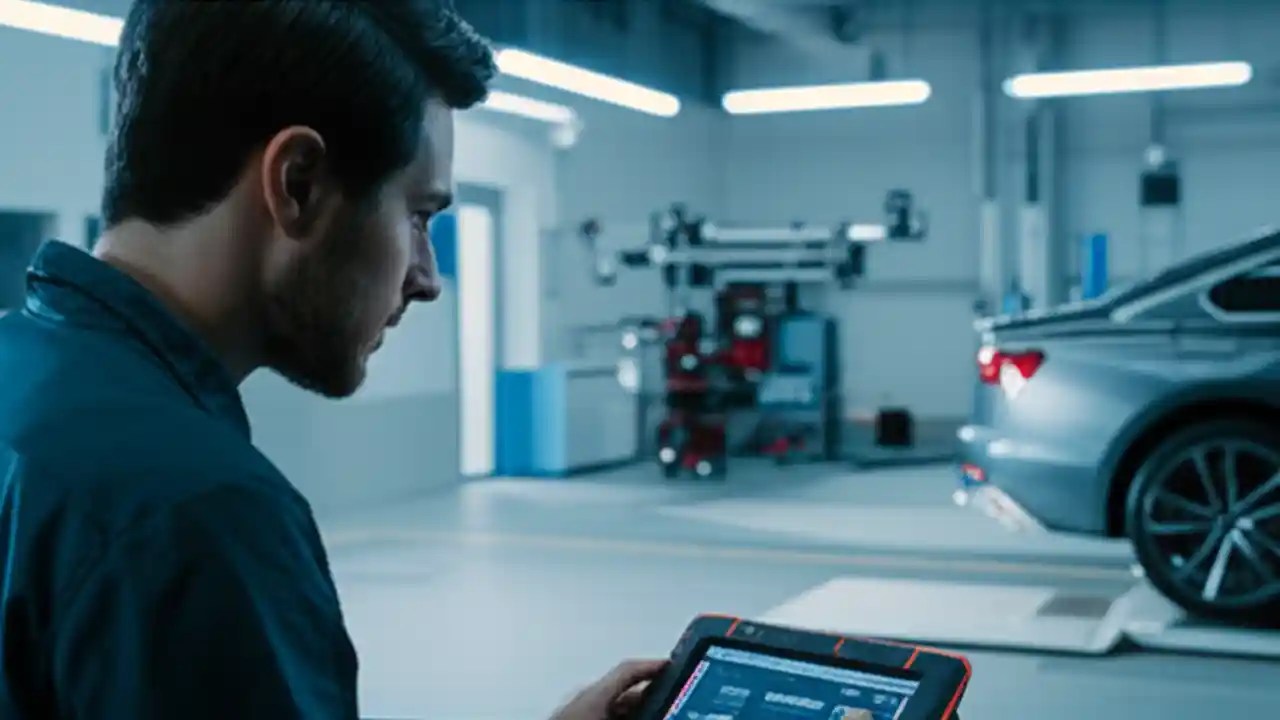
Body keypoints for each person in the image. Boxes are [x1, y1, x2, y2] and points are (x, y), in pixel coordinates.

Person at [0, 1, 664, 718]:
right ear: (298, 185)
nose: (427, 277)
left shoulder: (21, 374)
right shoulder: (192, 512)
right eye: (417, 214)